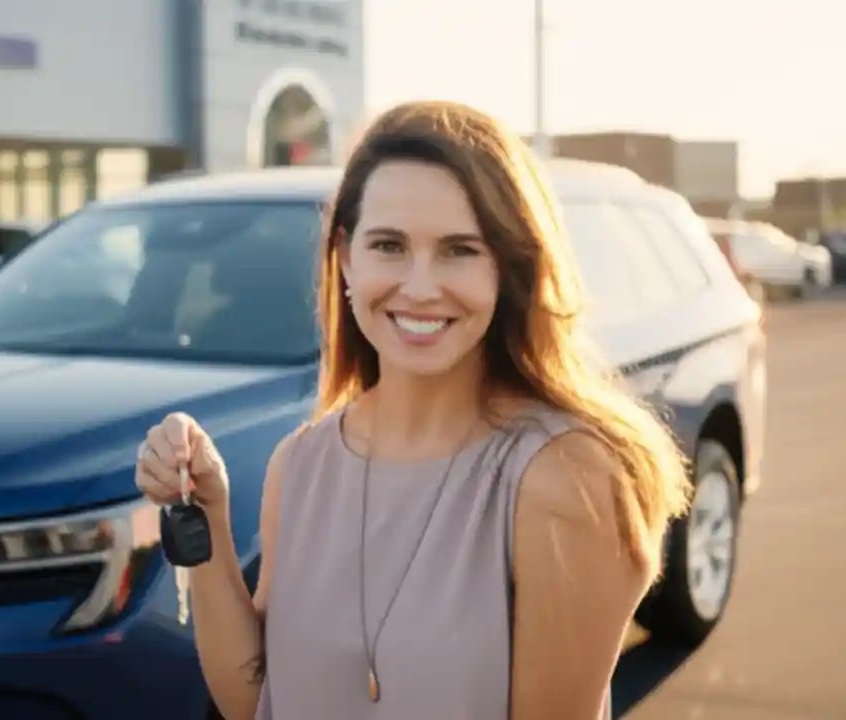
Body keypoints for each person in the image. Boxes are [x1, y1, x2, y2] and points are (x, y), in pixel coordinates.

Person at [134, 100, 692, 719]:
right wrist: (207, 520)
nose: (421, 286)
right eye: (390, 245)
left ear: (507, 268)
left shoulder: (565, 477)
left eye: (459, 250)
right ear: (346, 257)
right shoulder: (302, 463)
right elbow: (256, 702)